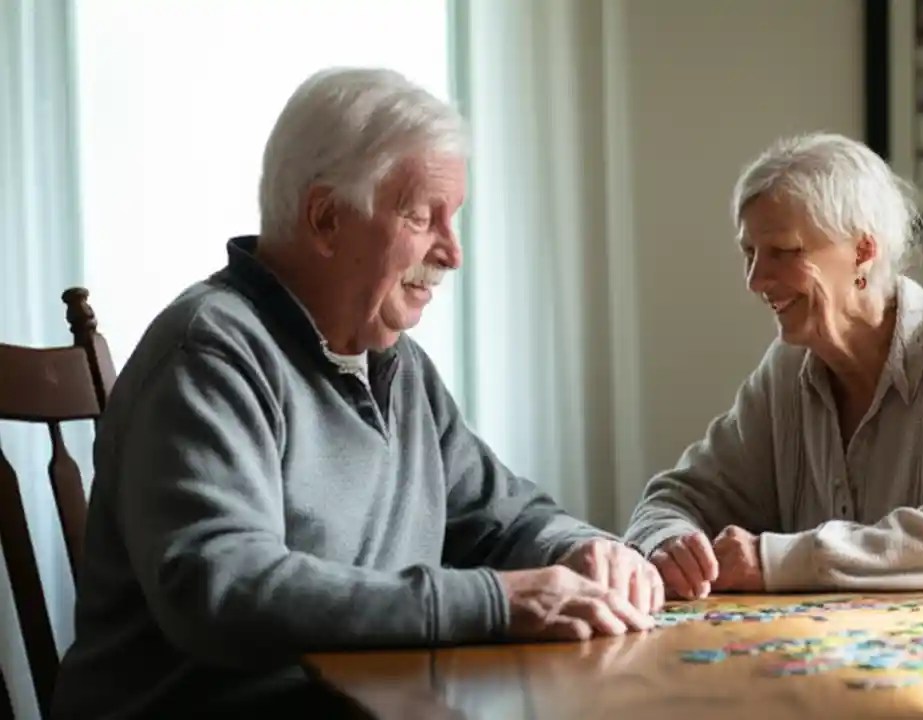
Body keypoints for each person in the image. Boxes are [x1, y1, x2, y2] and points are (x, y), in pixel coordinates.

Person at [53, 67, 662, 718]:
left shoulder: (397, 366)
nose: (453, 252)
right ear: (325, 218)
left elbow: (502, 519)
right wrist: (496, 601)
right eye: (423, 217)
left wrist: (583, 549)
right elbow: (223, 589)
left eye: (453, 220)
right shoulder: (209, 352)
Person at [624, 132, 923, 599]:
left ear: (862, 251)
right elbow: (673, 500)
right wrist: (670, 544)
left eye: (783, 252)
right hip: (838, 663)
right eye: (749, 253)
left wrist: (780, 561)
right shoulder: (787, 371)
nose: (756, 281)